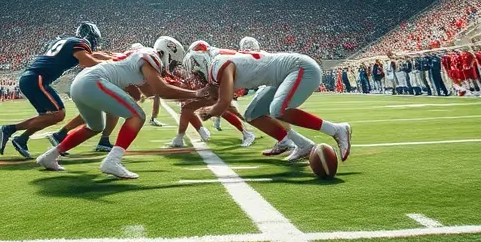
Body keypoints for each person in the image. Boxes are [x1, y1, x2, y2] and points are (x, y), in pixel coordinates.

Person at [34, 36, 207, 179]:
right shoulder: (151, 57)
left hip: (81, 83)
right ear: (167, 53)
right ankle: (113, 161)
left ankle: (50, 157)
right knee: (137, 116)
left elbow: (150, 92)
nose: (171, 68)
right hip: (93, 81)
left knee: (95, 127)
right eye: (173, 63)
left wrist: (183, 90)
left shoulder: (139, 56)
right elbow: (161, 89)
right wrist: (198, 94)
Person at [184, 43, 352, 163]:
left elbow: (225, 101)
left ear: (202, 64)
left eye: (196, 73)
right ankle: (301, 145)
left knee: (278, 109)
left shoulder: (218, 65)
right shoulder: (221, 61)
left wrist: (210, 111)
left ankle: (336, 129)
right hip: (281, 78)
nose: (197, 78)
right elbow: (219, 96)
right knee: (252, 114)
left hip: (300, 68)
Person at [0, 21, 108, 159]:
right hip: (37, 78)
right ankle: (9, 129)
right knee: (58, 114)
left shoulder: (68, 41)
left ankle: (22, 139)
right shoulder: (80, 44)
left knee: (47, 117)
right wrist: (111, 64)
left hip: (32, 78)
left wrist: (110, 57)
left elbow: (93, 56)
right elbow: (87, 61)